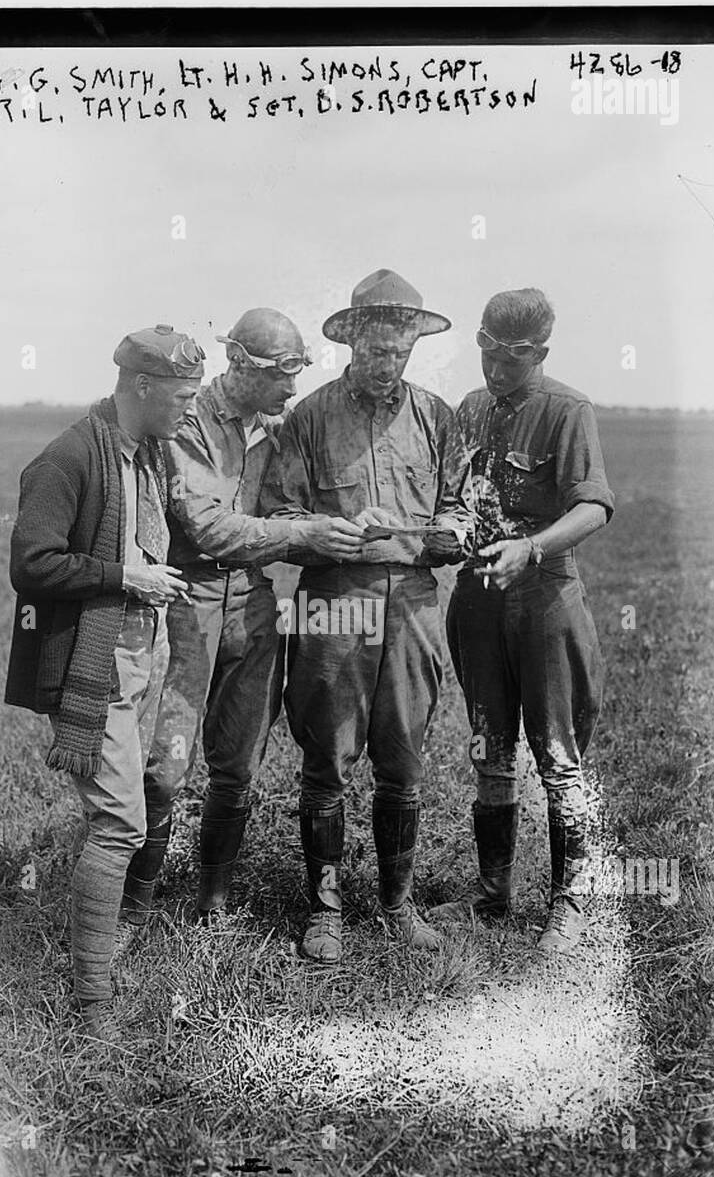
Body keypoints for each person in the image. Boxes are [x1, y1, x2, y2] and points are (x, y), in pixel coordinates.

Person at [261, 269, 473, 964]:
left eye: (400, 350)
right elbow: (276, 515)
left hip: (412, 603)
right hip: (332, 602)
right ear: (351, 340)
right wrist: (327, 528)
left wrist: (448, 531)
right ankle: (323, 910)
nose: (388, 362)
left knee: (403, 761)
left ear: (414, 343)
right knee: (325, 757)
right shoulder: (310, 417)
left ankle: (395, 904)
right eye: (375, 349)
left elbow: (461, 508)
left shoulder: (438, 418)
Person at [127, 309, 362, 926]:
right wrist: (299, 533)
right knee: (166, 768)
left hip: (253, 603)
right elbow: (205, 526)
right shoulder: (190, 421)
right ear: (240, 365)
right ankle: (135, 903)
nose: (292, 390)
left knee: (237, 762)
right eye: (282, 375)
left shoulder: (277, 430)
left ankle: (214, 901)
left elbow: (285, 514)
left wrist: (339, 531)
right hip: (189, 601)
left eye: (297, 374)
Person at [4, 325, 204, 1036]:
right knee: (120, 822)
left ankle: (112, 949)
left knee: (131, 809)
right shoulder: (67, 457)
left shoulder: (140, 452)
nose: (189, 408)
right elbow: (30, 563)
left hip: (140, 651)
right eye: (181, 395)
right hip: (97, 661)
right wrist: (127, 577)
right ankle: (95, 1003)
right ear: (141, 388)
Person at [428, 289, 614, 956]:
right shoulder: (470, 410)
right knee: (489, 748)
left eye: (511, 359)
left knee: (559, 760)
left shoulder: (567, 410)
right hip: (477, 602)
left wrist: (531, 547)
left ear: (538, 353)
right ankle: (492, 889)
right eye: (485, 352)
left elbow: (593, 507)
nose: (495, 369)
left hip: (543, 602)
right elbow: (452, 497)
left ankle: (570, 903)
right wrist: (447, 530)